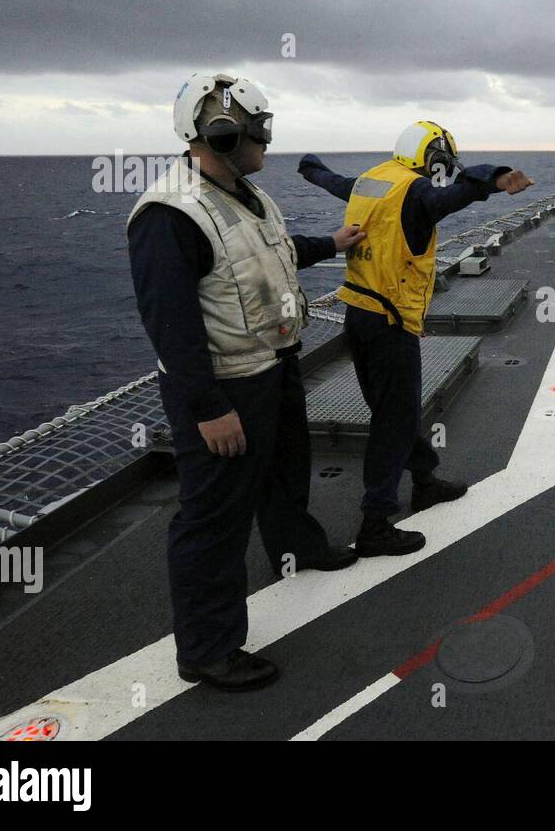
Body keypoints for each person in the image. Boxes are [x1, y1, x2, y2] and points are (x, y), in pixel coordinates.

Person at [128, 73, 367, 692]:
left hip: (275, 366)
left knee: (287, 470)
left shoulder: (244, 195)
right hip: (225, 389)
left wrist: (333, 242)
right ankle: (208, 649)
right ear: (222, 134)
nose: (267, 141)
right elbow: (171, 326)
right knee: (214, 516)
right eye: (260, 131)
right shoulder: (170, 214)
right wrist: (207, 407)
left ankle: (300, 549)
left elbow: (272, 254)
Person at [297, 122, 534, 555]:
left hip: (360, 316)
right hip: (389, 325)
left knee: (396, 412)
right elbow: (451, 196)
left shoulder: (371, 183)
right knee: (393, 422)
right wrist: (493, 177)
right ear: (434, 157)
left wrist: (309, 166)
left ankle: (424, 480)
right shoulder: (417, 192)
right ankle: (375, 523)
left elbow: (330, 180)